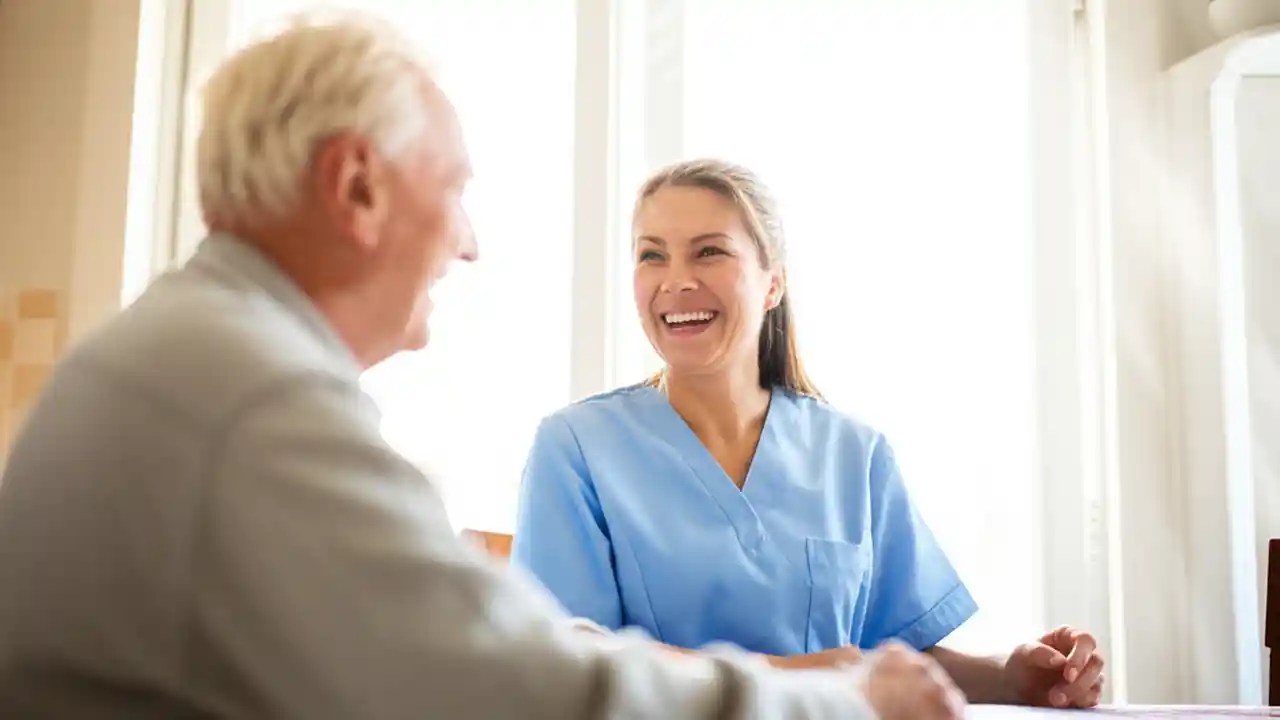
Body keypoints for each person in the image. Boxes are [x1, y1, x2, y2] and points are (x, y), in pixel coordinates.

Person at [0, 13, 967, 720]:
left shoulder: (202, 354)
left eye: (710, 251)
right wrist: (847, 704)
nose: (467, 244)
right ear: (358, 186)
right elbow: (516, 690)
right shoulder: (251, 395)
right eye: (454, 190)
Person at [512, 159, 1107, 709]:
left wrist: (1013, 676)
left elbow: (892, 659)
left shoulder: (854, 454)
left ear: (773, 284)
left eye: (709, 252)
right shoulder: (577, 449)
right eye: (652, 256)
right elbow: (568, 664)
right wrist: (803, 676)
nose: (676, 281)